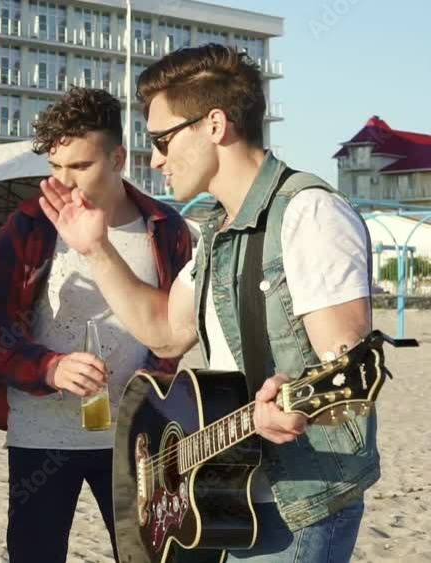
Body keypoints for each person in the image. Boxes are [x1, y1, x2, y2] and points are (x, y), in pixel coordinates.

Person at [40, 44, 376, 563]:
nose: (154, 159)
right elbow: (164, 331)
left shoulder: (309, 214)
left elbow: (347, 375)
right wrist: (96, 249)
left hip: (298, 506)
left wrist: (294, 403)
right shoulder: (217, 232)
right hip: (227, 496)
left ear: (214, 124)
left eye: (161, 140)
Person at [0, 87, 193, 563]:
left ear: (119, 157)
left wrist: (154, 385)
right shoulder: (29, 224)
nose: (64, 182)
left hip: (136, 436)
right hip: (40, 432)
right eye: (55, 168)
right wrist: (50, 367)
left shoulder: (166, 228)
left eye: (80, 167)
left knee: (148, 556)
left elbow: (175, 327)